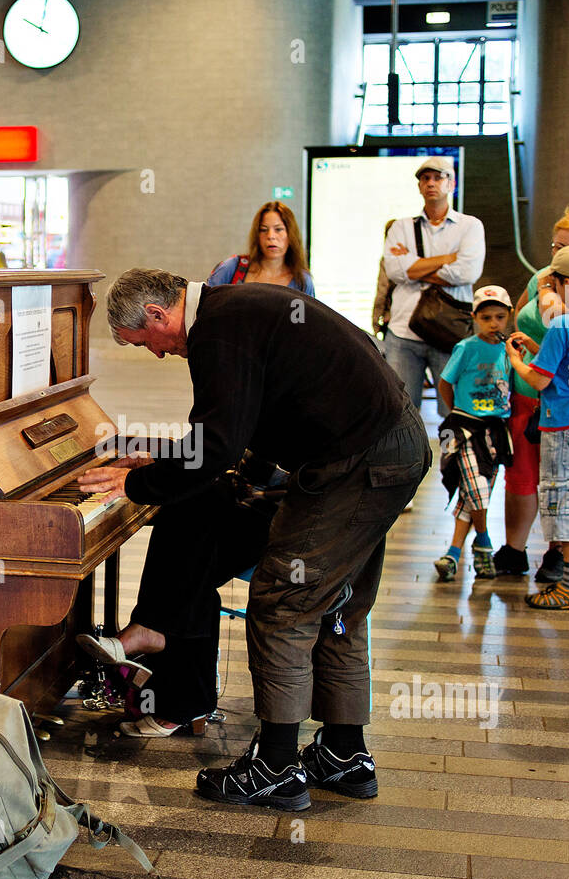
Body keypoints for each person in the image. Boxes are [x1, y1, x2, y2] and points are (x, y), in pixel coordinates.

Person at [79, 269, 429, 810]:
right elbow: (252, 420)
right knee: (337, 603)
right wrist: (170, 460)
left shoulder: (219, 331)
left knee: (283, 602)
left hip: (359, 461)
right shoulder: (235, 310)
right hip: (385, 444)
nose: (155, 354)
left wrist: (135, 482)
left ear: (157, 315)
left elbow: (216, 446)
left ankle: (275, 766)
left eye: (144, 342)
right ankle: (343, 752)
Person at [75, 459, 276, 737]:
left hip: (296, 514)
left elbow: (218, 448)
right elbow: (219, 449)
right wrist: (169, 463)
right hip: (252, 496)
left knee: (193, 509)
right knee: (192, 508)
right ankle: (183, 696)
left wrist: (147, 477)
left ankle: (155, 643)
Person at [496, 201, 569, 585]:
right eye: (556, 247)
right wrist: (529, 347)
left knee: (566, 487)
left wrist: (520, 361)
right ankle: (519, 552)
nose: (558, 256)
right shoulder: (542, 278)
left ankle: (568, 571)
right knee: (525, 475)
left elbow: (563, 324)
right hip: (533, 398)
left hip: (568, 402)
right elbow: (523, 316)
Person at [380, 155, 486, 418]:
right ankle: (409, 461)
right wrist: (447, 260)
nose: (431, 183)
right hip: (404, 331)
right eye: (425, 178)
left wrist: (414, 266)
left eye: (438, 177)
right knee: (400, 412)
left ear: (451, 183)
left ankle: (453, 459)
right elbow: (394, 270)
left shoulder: (470, 226)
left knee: (453, 410)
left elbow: (467, 272)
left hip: (449, 331)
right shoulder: (400, 227)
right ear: (419, 186)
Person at [434, 286, 514, 582]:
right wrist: (457, 411)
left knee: (472, 494)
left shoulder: (509, 349)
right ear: (475, 318)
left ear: (509, 316)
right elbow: (445, 382)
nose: (494, 323)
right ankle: (484, 542)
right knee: (478, 492)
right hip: (466, 429)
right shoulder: (466, 348)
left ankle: (453, 555)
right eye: (486, 317)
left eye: (499, 317)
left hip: (497, 429)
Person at [207, 201, 314, 294]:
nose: (271, 236)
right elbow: (204, 306)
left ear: (291, 234)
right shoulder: (232, 267)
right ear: (257, 235)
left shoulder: (302, 281)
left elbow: (309, 317)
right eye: (263, 230)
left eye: (278, 229)